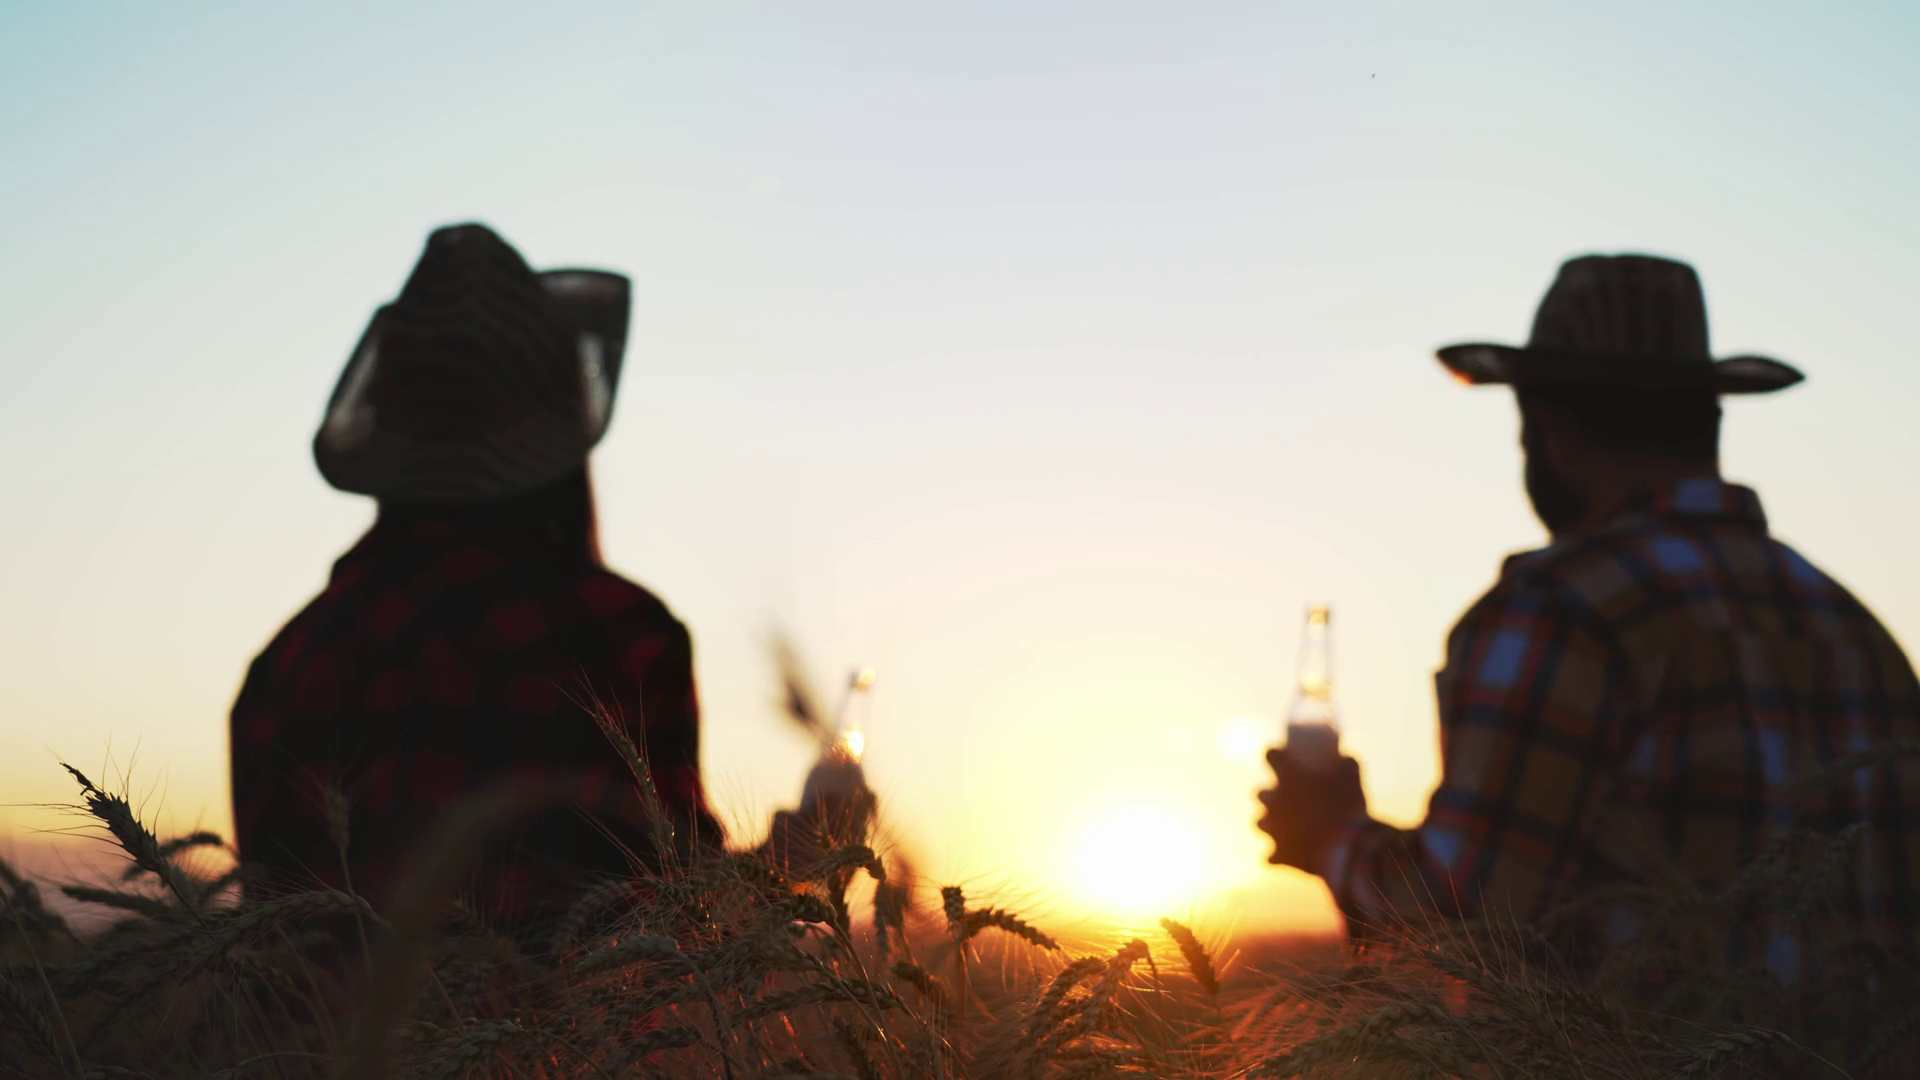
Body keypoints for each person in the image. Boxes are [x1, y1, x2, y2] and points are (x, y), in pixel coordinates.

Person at [1256, 254, 1920, 974]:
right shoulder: (1858, 631)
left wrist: (1331, 836)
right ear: (1712, 422)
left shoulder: (1563, 609)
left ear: (1545, 426)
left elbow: (1467, 925)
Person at [230, 223, 865, 937]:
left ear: (393, 429)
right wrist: (807, 847)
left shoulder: (286, 667)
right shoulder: (611, 639)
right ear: (559, 432)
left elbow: (281, 981)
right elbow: (674, 937)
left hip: (321, 1056)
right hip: (544, 1055)